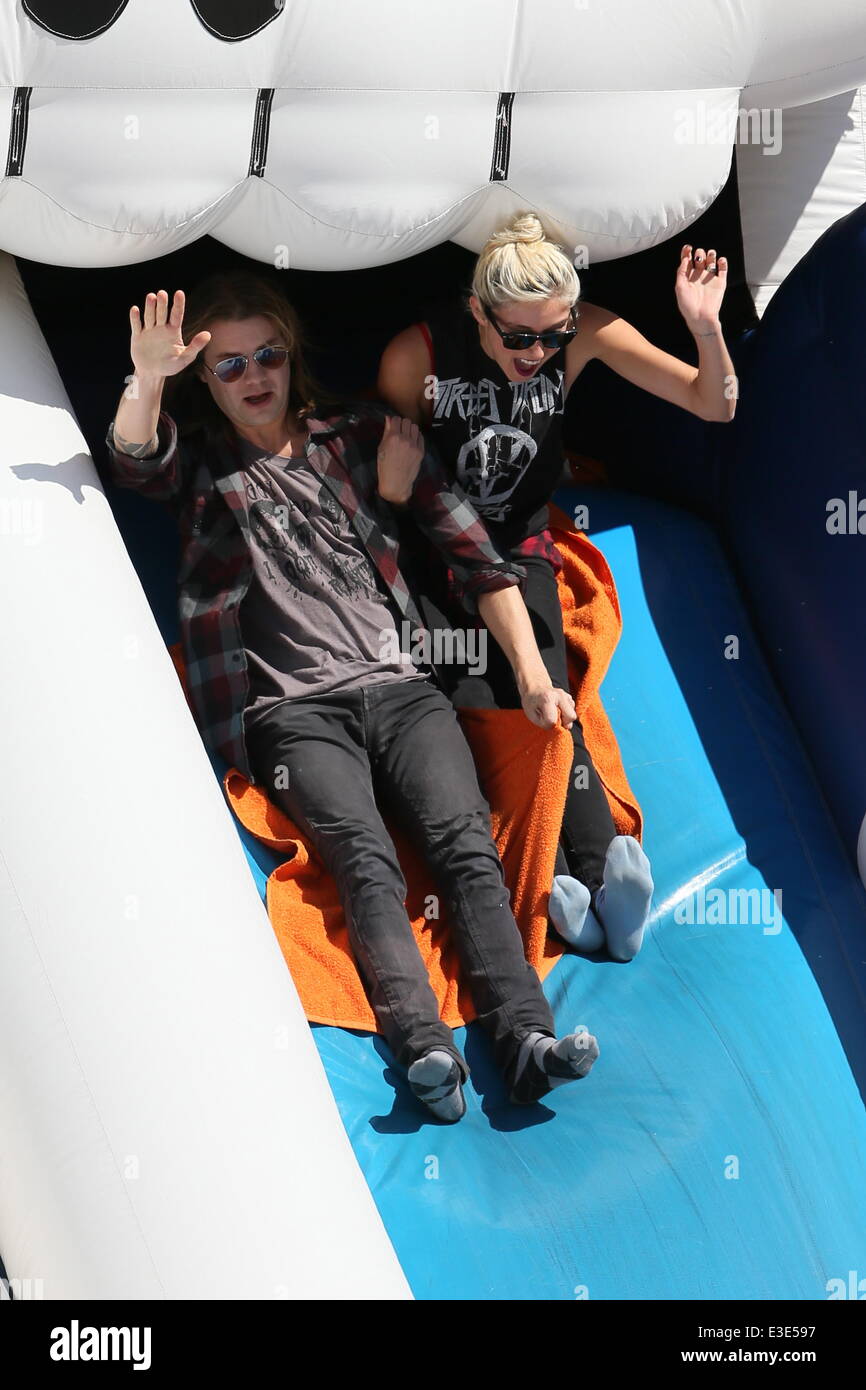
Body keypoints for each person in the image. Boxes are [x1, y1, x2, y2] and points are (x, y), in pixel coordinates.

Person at [103, 269, 601, 1121]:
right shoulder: (205, 471)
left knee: (464, 846)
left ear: (292, 356)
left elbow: (478, 558)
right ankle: (426, 1051)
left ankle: (526, 1039)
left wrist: (531, 676)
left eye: (267, 355)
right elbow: (137, 458)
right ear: (206, 382)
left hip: (403, 690)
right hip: (292, 714)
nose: (253, 376)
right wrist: (148, 379)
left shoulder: (365, 435)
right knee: (365, 863)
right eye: (228, 367)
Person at [377, 211, 737, 962]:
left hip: (523, 546)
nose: (539, 353)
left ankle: (603, 880)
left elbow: (715, 402)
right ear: (479, 310)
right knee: (487, 705)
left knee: (550, 697)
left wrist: (704, 327)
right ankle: (552, 883)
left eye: (554, 334)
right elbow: (395, 487)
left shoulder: (582, 336)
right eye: (520, 337)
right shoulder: (419, 355)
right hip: (437, 554)